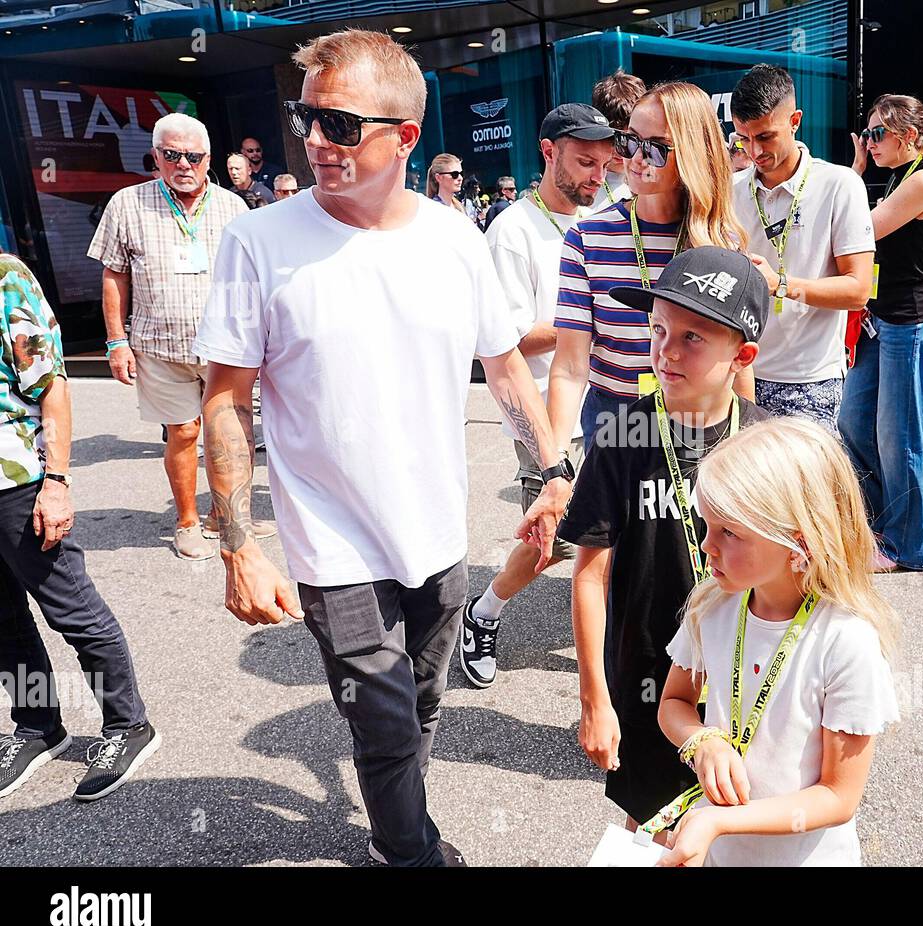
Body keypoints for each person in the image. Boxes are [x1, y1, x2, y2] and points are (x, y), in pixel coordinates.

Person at [194, 28, 574, 868]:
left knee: (423, 701)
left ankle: (393, 798)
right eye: (307, 120)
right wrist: (238, 544)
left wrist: (551, 469)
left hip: (436, 529)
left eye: (340, 124)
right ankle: (408, 848)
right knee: (386, 712)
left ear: (406, 137)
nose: (316, 142)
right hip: (331, 543)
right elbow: (225, 399)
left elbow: (505, 364)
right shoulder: (256, 243)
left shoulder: (454, 238)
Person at [558, 245, 769, 834]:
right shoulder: (621, 433)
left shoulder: (764, 443)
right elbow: (590, 574)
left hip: (748, 672)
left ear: (741, 354)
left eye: (694, 338)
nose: (667, 351)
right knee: (650, 823)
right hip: (649, 676)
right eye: (658, 330)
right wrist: (594, 698)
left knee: (735, 818)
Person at [656, 417, 900, 866]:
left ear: (798, 542)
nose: (706, 545)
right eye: (706, 525)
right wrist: (703, 740)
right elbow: (673, 701)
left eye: (729, 532)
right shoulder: (711, 606)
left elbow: (838, 796)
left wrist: (720, 821)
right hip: (719, 852)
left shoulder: (845, 641)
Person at [461, 104, 616, 688]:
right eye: (584, 162)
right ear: (548, 153)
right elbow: (508, 343)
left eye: (604, 165)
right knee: (548, 538)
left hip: (612, 404)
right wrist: (591, 319)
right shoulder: (511, 232)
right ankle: (484, 611)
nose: (596, 177)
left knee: (620, 530)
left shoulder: (604, 214)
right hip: (547, 414)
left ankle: (616, 647)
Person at [0, 255, 159, 802]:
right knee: (3, 621)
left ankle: (127, 725)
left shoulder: (6, 279)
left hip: (16, 478)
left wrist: (57, 482)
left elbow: (52, 386)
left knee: (72, 610)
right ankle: (38, 725)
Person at [87, 112, 267, 561]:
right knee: (184, 432)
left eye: (193, 156)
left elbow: (251, 280)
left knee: (229, 433)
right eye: (172, 155)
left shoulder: (232, 206)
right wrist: (115, 340)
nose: (183, 164)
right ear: (156, 156)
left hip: (224, 346)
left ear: (209, 159)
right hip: (159, 344)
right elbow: (114, 275)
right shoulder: (127, 204)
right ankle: (187, 521)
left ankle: (226, 517)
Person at [549, 80, 751, 454]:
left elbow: (735, 363)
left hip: (699, 419)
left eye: (656, 149)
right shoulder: (588, 237)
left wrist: (745, 448)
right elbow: (570, 365)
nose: (636, 158)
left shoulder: (721, 243)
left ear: (693, 153)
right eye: (628, 142)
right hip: (615, 416)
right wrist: (555, 462)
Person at [838, 95, 923, 573]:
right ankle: (881, 528)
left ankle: (908, 548)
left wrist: (852, 175)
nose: (869, 141)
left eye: (878, 133)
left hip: (912, 319)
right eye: (866, 133)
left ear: (909, 136)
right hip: (885, 318)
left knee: (899, 438)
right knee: (853, 422)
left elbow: (860, 231)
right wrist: (860, 170)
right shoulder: (901, 175)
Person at [730, 64, 874, 429]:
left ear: (795, 121)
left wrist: (782, 284)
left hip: (810, 381)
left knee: (807, 487)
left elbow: (858, 290)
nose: (754, 150)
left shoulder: (840, 185)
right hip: (737, 375)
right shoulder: (731, 190)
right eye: (742, 138)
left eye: (765, 136)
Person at [590, 69, 646, 212]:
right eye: (613, 137)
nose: (621, 150)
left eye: (631, 138)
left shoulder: (656, 179)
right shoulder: (585, 183)